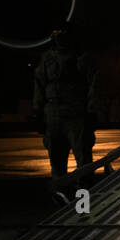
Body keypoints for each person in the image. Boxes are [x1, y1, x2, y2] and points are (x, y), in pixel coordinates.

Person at [32, 24, 101, 181]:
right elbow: (40, 84)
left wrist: (92, 111)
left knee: (83, 160)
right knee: (56, 160)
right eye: (56, 33)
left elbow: (95, 86)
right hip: (53, 113)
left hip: (76, 113)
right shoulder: (47, 58)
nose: (58, 37)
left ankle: (84, 196)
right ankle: (60, 193)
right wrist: (38, 112)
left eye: (62, 33)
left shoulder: (83, 57)